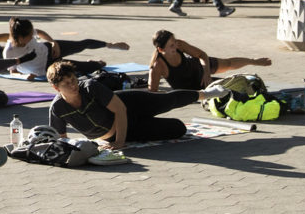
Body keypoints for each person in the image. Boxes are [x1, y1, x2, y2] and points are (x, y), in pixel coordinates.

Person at [47, 60, 203, 148]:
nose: (73, 85)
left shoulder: (89, 87)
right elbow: (61, 139)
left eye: (73, 80)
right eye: (66, 84)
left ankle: (206, 94)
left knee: (167, 100)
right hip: (124, 131)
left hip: (129, 105)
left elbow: (120, 109)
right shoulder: (57, 108)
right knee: (178, 128)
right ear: (56, 87)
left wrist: (120, 142)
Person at [0, 17, 123, 80]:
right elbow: (13, 72)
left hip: (49, 49)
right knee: (91, 67)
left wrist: (53, 42)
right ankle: (93, 63)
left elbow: (40, 32)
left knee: (81, 44)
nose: (33, 35)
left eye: (32, 33)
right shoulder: (9, 51)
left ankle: (110, 44)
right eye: (29, 35)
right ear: (20, 37)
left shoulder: (28, 32)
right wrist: (24, 76)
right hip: (48, 67)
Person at [147, 30, 270, 93]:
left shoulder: (180, 44)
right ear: (161, 49)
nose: (175, 46)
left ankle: (253, 61)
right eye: (171, 46)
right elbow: (152, 91)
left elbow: (202, 55)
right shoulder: (157, 66)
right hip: (190, 87)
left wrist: (206, 73)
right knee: (230, 88)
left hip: (198, 68)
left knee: (227, 64)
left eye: (175, 43)